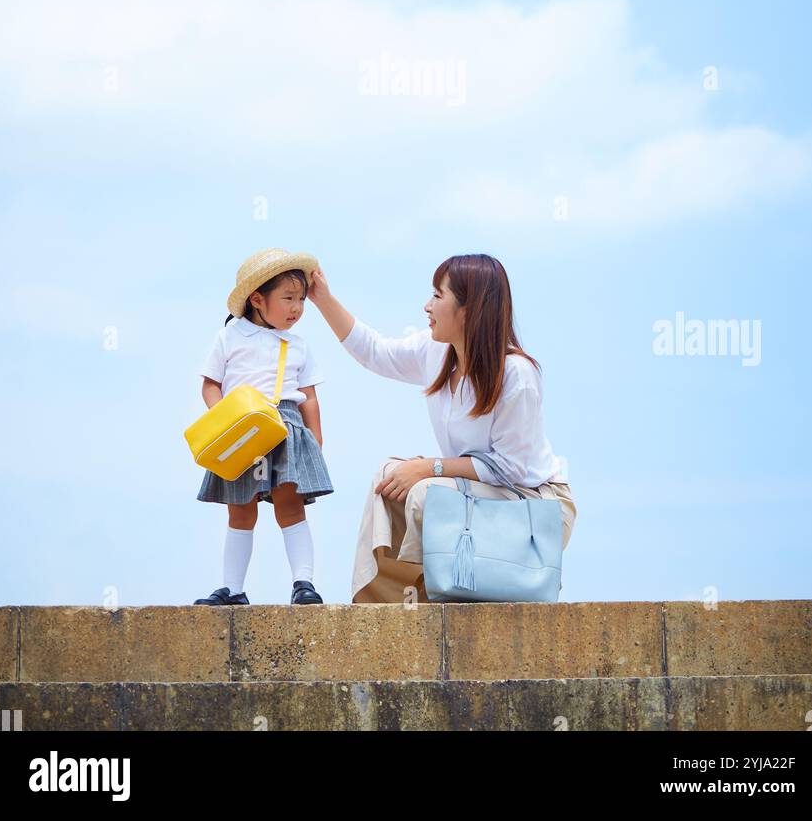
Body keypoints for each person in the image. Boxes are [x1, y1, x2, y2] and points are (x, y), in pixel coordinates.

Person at [308, 253, 576, 603]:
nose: (426, 306)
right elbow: (374, 351)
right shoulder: (436, 352)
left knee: (426, 492)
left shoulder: (516, 374)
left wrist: (429, 467)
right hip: (479, 495)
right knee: (388, 478)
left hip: (534, 504)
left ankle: (430, 593)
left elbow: (511, 468)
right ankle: (385, 604)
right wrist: (322, 299)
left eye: (437, 295)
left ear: (469, 308)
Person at [193, 248, 334, 606]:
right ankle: (233, 589)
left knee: (290, 506)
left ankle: (304, 583)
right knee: (241, 508)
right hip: (243, 428)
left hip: (286, 426)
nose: (297, 308)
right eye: (288, 298)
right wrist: (223, 418)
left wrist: (315, 439)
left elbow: (309, 396)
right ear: (257, 299)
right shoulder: (229, 336)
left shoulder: (298, 344)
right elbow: (211, 383)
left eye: (301, 299)